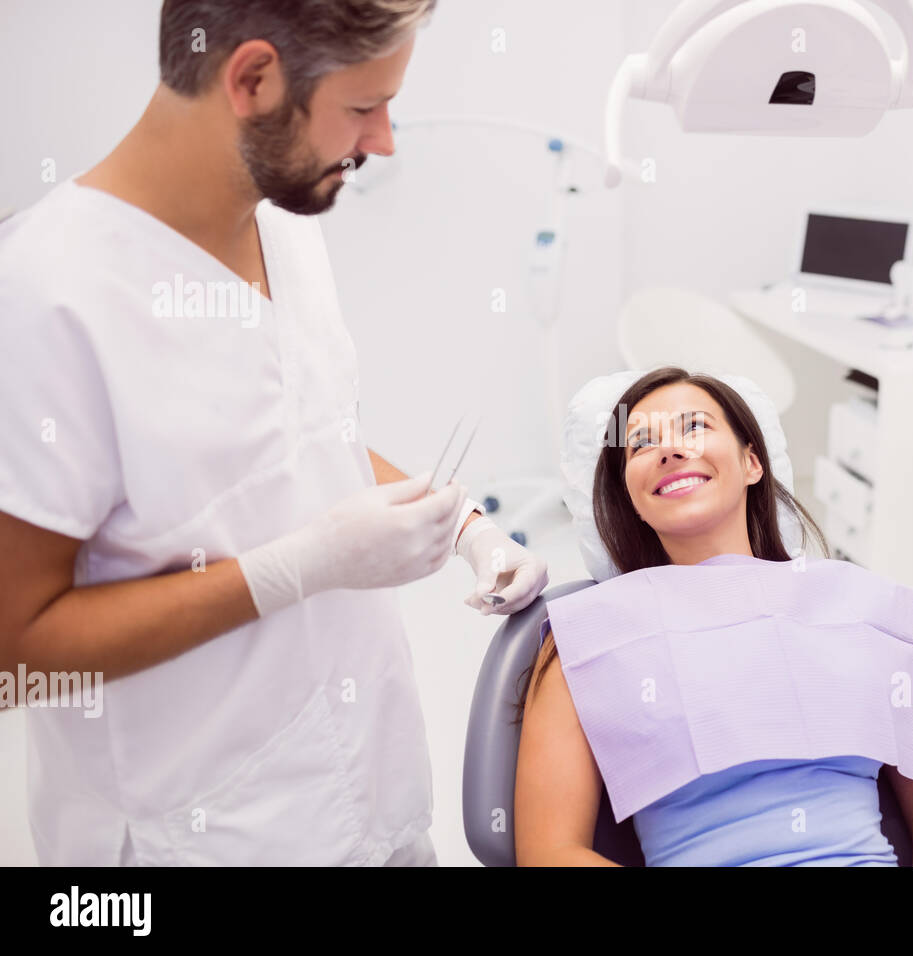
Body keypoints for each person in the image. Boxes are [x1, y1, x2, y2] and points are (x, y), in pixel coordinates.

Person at [0, 0, 547, 866]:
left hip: (369, 790)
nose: (386, 141)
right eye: (364, 108)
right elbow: (13, 657)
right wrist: (293, 571)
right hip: (202, 833)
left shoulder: (283, 217)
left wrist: (467, 525)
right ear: (252, 78)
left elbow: (304, 436)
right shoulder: (44, 298)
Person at [514, 368, 913, 866]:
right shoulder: (590, 635)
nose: (670, 450)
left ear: (752, 463)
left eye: (694, 427)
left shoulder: (863, 605)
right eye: (642, 444)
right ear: (631, 497)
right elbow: (550, 852)